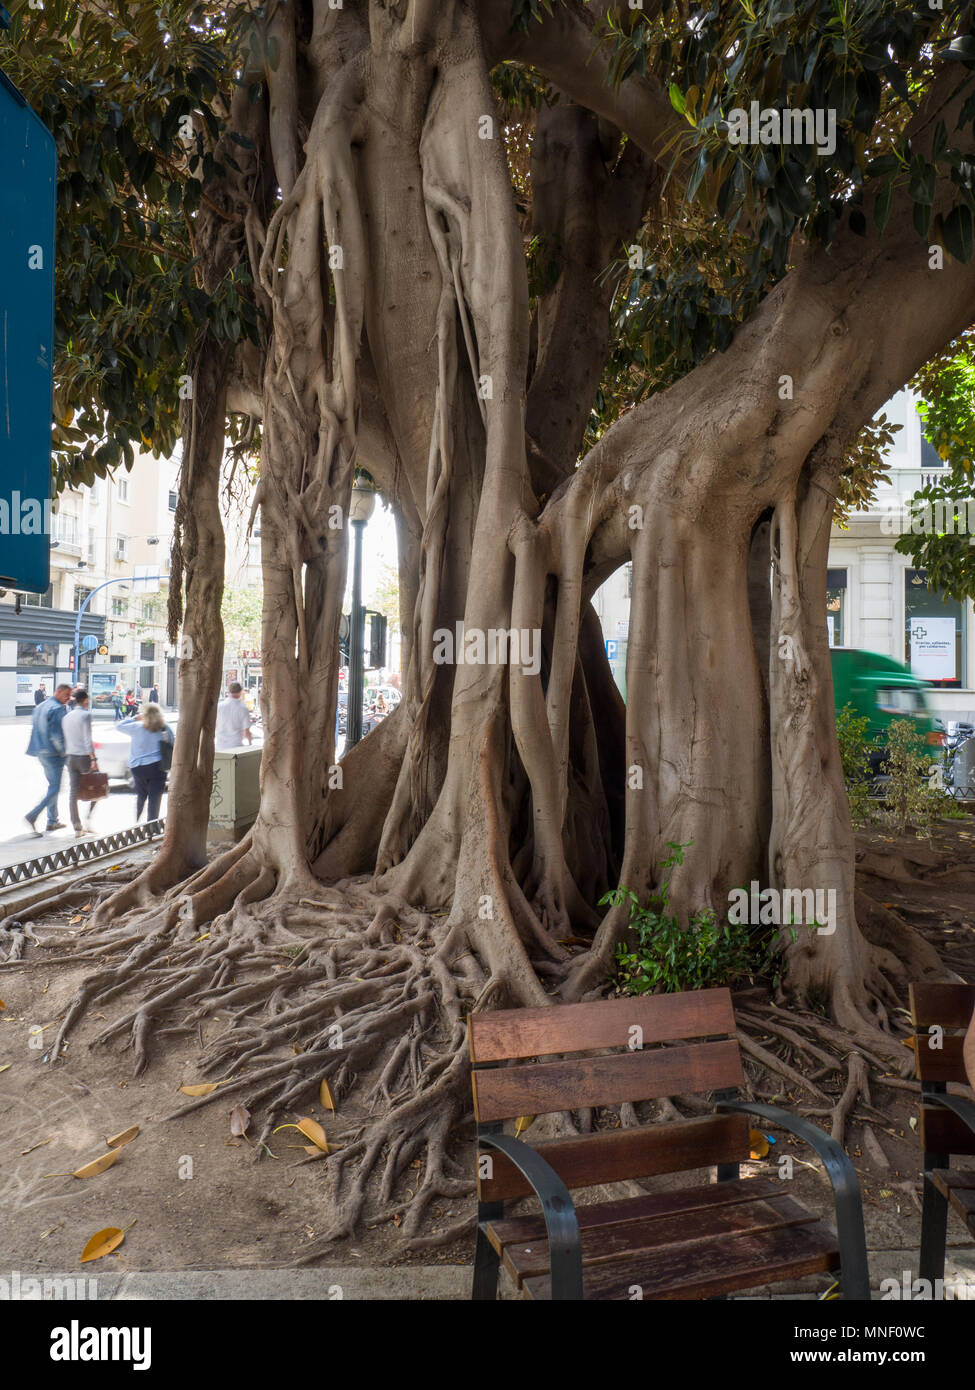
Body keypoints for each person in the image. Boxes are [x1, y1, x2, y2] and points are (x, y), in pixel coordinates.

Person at [25, 683, 72, 834]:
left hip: (40, 751)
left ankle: (52, 821)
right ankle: (33, 815)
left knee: (53, 786)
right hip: (53, 754)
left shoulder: (40, 707)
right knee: (55, 788)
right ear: (58, 692)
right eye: (66, 695)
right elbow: (57, 736)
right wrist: (64, 752)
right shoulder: (57, 709)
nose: (68, 699)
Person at [116, 703, 172, 823]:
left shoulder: (136, 727)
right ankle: (151, 826)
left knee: (141, 795)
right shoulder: (164, 728)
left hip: (138, 768)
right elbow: (172, 743)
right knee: (155, 798)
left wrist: (136, 718)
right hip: (157, 767)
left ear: (144, 715)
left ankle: (137, 821)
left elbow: (119, 725)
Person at [63, 687, 99, 836]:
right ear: (85, 700)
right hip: (84, 757)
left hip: (70, 757)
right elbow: (87, 739)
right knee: (97, 788)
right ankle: (88, 821)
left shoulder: (66, 717)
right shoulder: (86, 715)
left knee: (73, 792)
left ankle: (77, 827)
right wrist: (93, 759)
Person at [215, 682, 253, 750]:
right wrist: (250, 744)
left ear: (228, 692)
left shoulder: (219, 706)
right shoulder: (243, 708)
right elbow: (246, 732)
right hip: (236, 746)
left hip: (220, 746)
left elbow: (214, 726)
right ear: (240, 692)